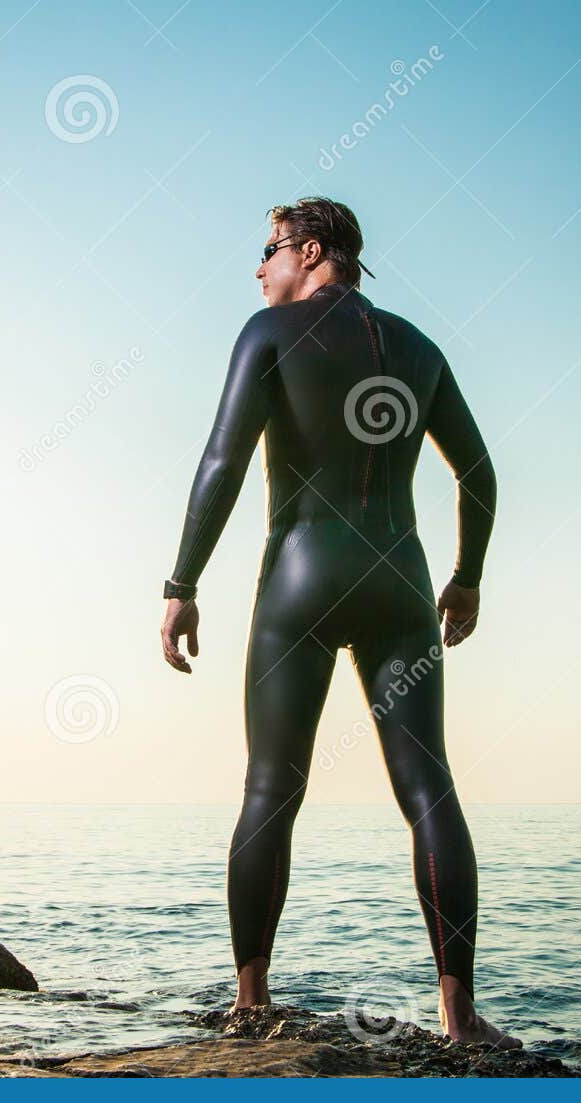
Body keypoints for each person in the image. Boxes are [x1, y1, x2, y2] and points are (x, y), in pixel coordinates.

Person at [159, 196, 519, 1048]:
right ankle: (459, 1015)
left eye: (268, 250)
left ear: (311, 251)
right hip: (400, 586)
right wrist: (466, 581)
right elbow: (481, 474)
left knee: (270, 790)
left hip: (300, 584)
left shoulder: (269, 334)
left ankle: (252, 1004)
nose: (258, 268)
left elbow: (223, 460)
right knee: (428, 788)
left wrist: (182, 581)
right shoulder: (421, 349)